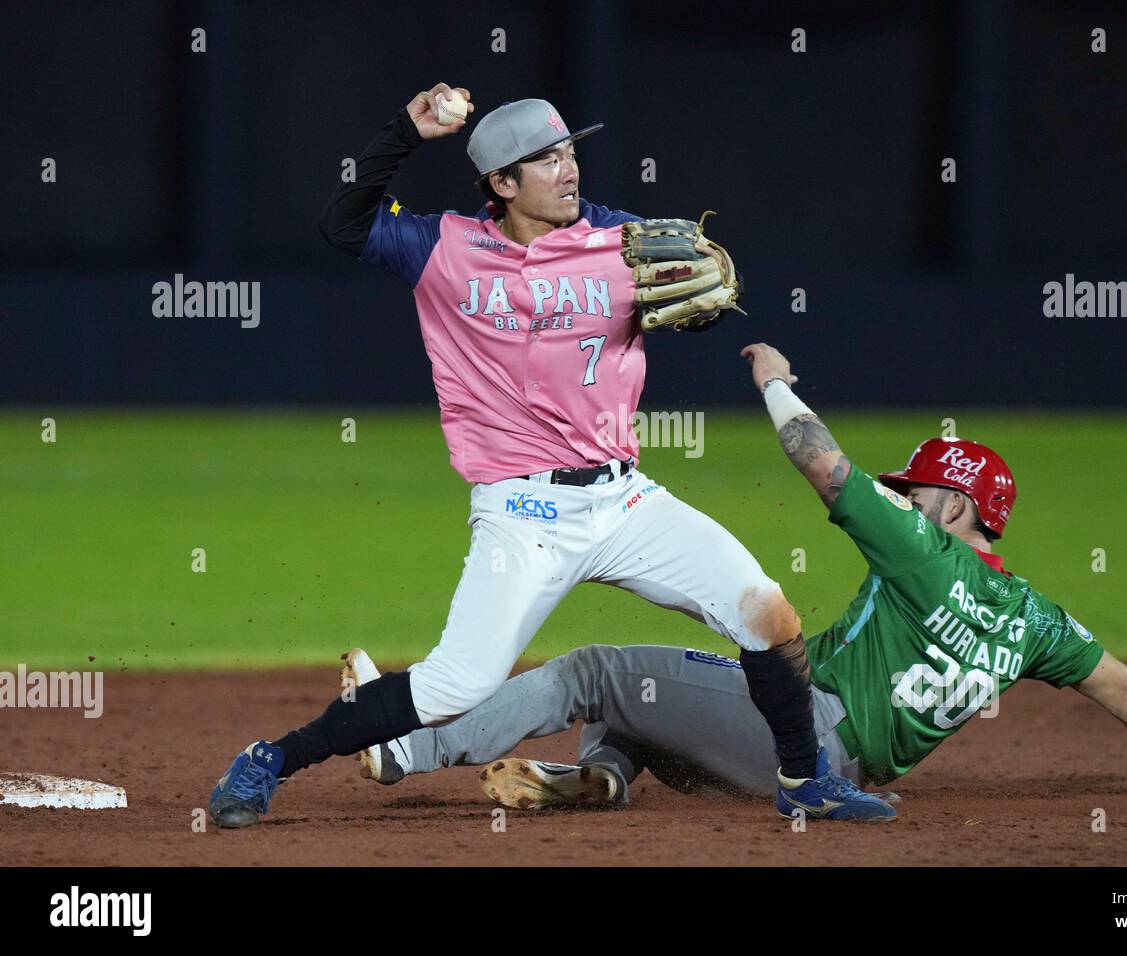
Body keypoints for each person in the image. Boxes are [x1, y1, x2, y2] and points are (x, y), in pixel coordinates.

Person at [207, 88, 891, 828]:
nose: (568, 170)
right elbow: (343, 222)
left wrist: (710, 308)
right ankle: (268, 761)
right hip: (521, 509)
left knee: (766, 612)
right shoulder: (442, 247)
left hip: (625, 501)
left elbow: (693, 299)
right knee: (452, 686)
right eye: (545, 160)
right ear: (501, 184)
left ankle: (804, 780)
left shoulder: (622, 240)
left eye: (569, 152)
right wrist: (407, 131)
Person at [346, 343, 1127, 813]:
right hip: (817, 759)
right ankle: (604, 782)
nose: (906, 500)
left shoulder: (923, 553)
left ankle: (409, 748)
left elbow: (821, 462)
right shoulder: (1034, 621)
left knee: (597, 670)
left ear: (961, 511)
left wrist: (775, 382)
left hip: (798, 737)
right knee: (664, 686)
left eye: (923, 491)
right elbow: (1120, 684)